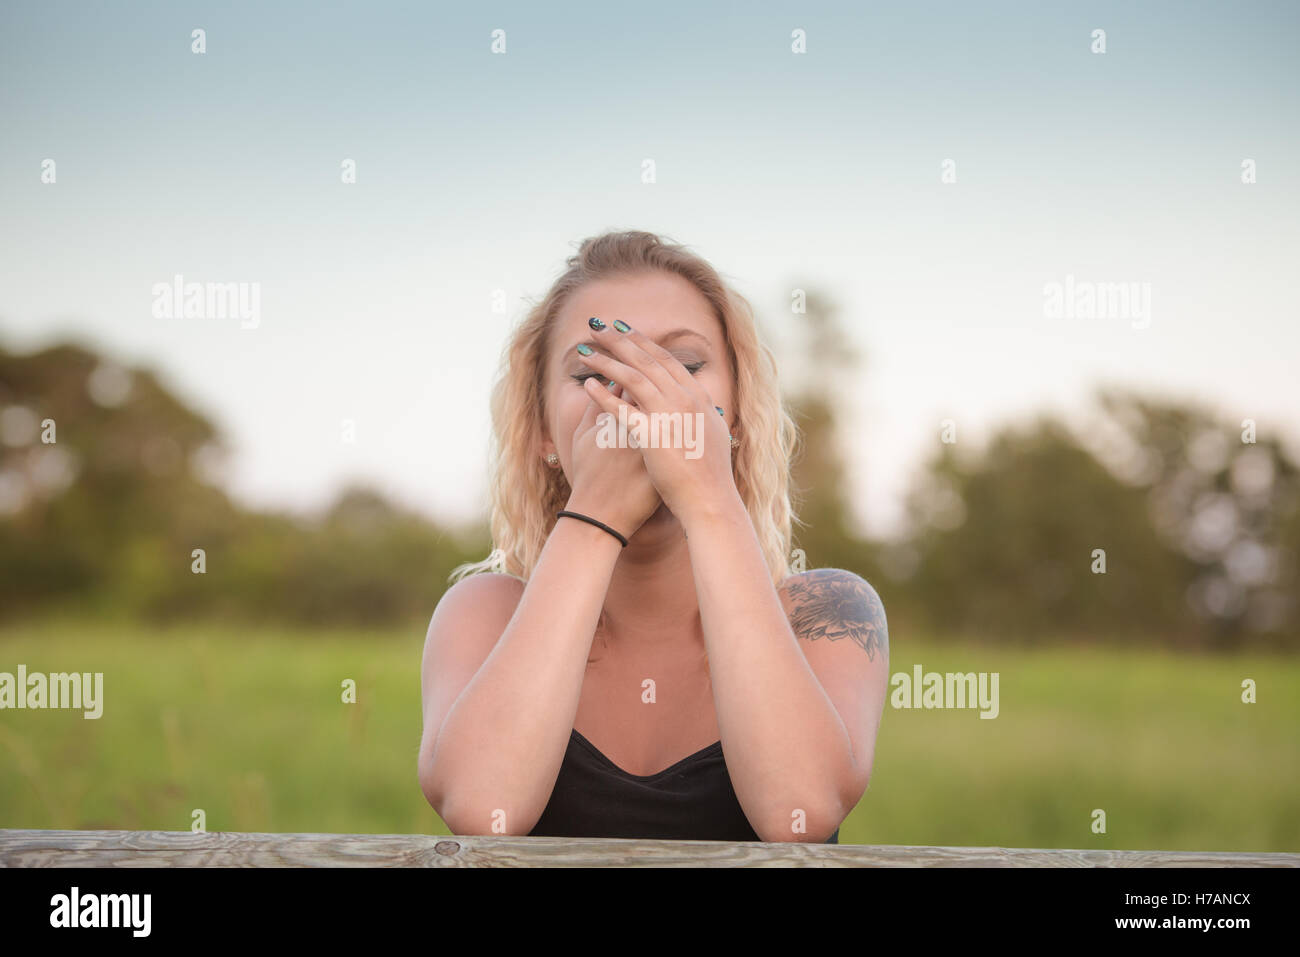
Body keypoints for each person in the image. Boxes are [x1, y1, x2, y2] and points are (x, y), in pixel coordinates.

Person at [417, 230, 889, 843]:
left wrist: (709, 498)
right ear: (542, 434)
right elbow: (483, 811)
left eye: (683, 368)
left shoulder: (826, 613)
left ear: (738, 415)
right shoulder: (484, 613)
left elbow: (798, 813)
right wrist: (597, 511)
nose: (636, 397)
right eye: (594, 372)